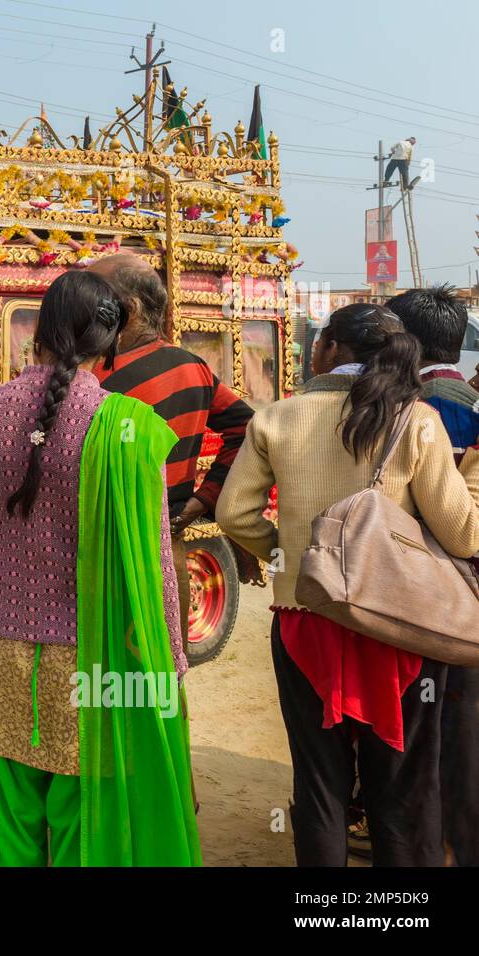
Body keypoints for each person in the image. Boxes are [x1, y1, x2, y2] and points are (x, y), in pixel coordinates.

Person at [0, 270, 199, 867]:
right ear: (110, 341)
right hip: (94, 670)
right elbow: (155, 563)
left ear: (39, 329)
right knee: (86, 833)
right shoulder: (128, 430)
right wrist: (171, 662)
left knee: (1, 832)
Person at [216, 303, 479, 867]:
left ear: (331, 347)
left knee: (319, 784)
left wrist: (298, 562)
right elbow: (463, 535)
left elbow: (235, 514)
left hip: (305, 621)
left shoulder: (278, 417)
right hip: (397, 623)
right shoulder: (417, 420)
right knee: (403, 784)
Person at [86, 253, 256, 638]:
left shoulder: (93, 376)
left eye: (93, 298)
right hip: (167, 557)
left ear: (127, 310)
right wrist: (202, 500)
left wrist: (206, 496)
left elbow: (247, 430)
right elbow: (247, 429)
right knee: (161, 676)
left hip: (102, 562)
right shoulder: (191, 367)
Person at [387, 285, 479, 865]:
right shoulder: (471, 405)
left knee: (409, 732)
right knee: (463, 730)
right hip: (468, 598)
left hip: (402, 596)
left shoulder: (394, 409)